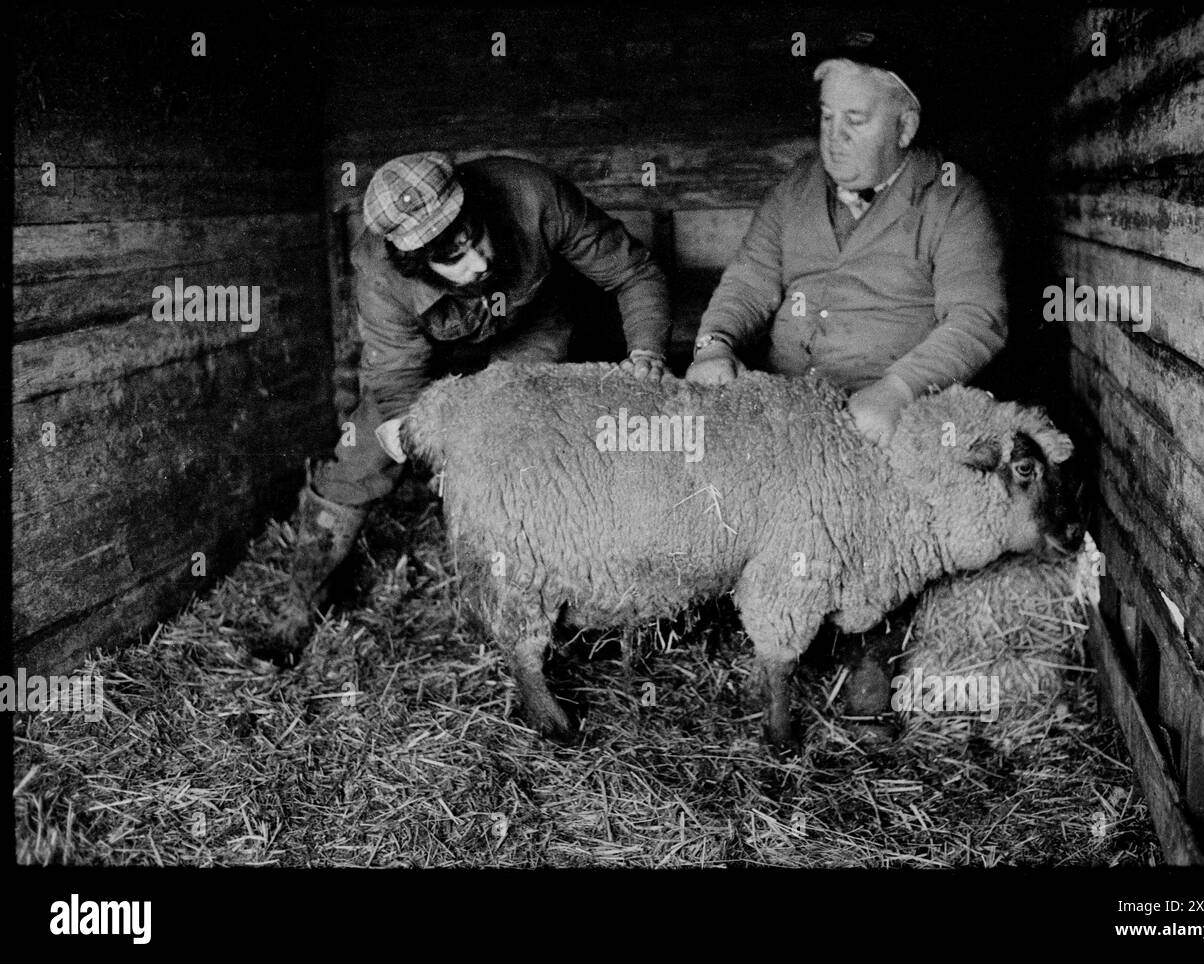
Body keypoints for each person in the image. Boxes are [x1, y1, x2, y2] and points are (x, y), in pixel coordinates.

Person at [686, 33, 1009, 723]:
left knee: (896, 521)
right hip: (788, 399)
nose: (833, 138)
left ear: (905, 125)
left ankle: (875, 633)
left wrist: (898, 388)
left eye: (855, 122)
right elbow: (748, 280)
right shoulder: (796, 187)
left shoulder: (951, 196)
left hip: (887, 402)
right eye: (827, 117)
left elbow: (978, 317)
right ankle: (750, 605)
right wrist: (714, 344)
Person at [280, 151, 672, 648]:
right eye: (452, 259)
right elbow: (399, 377)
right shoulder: (381, 274)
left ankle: (554, 603)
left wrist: (646, 352)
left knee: (523, 449)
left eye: (475, 239)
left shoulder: (534, 196)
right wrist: (435, 453)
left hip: (530, 333)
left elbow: (633, 272)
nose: (480, 263)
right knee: (361, 459)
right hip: (431, 360)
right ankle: (296, 609)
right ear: (414, 260)